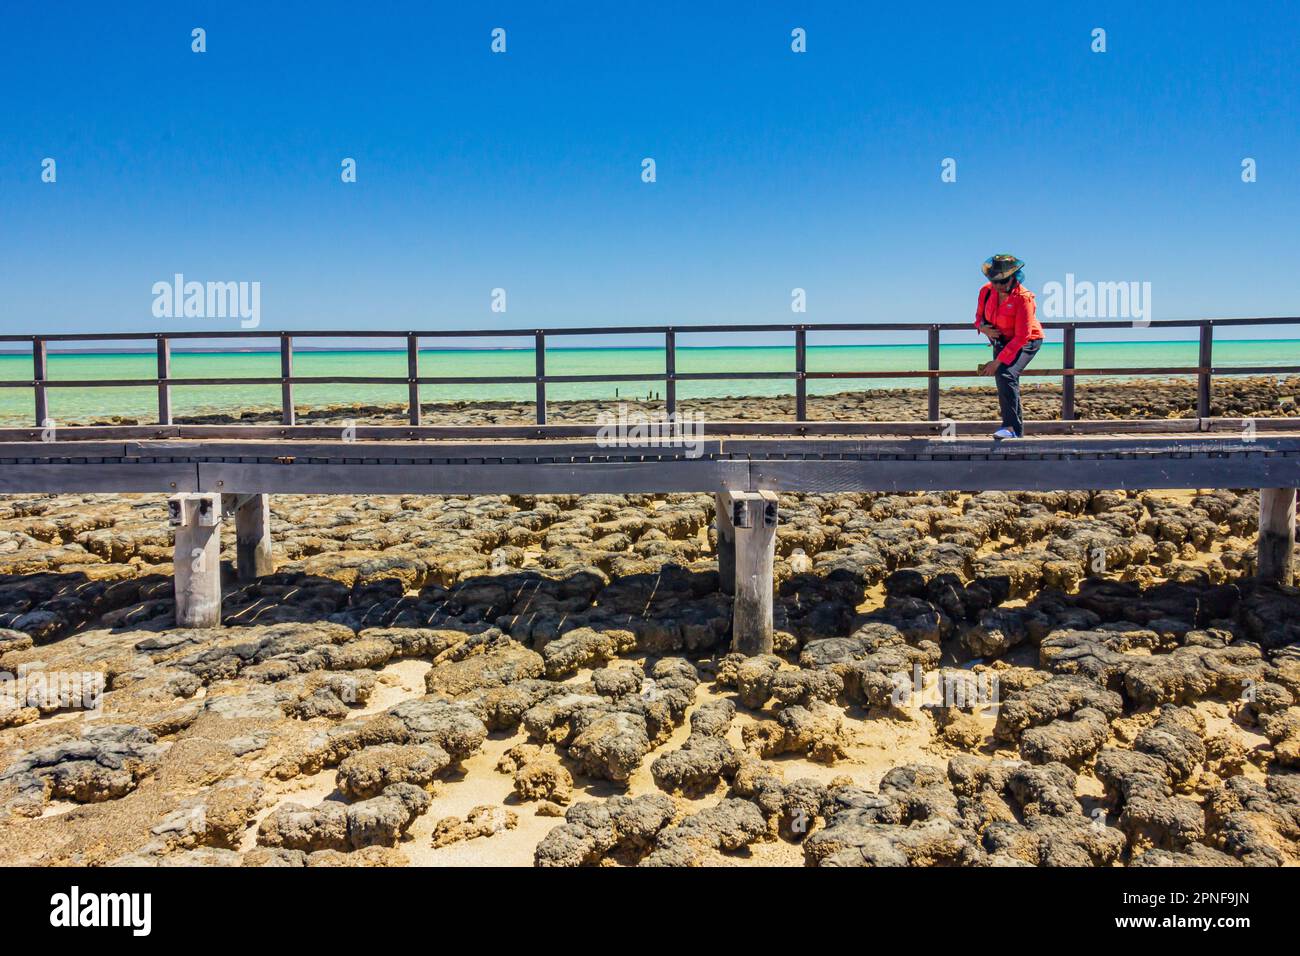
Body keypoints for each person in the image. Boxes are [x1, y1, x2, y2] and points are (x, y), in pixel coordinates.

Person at [975, 254, 1043, 439]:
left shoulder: (1024, 298)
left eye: (1003, 281)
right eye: (995, 281)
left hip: (1027, 341)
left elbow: (1022, 336)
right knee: (1004, 378)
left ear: (1014, 276)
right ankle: (1014, 430)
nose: (999, 286)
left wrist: (997, 362)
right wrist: (983, 328)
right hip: (1001, 340)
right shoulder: (985, 291)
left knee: (1006, 373)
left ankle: (1011, 429)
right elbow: (978, 318)